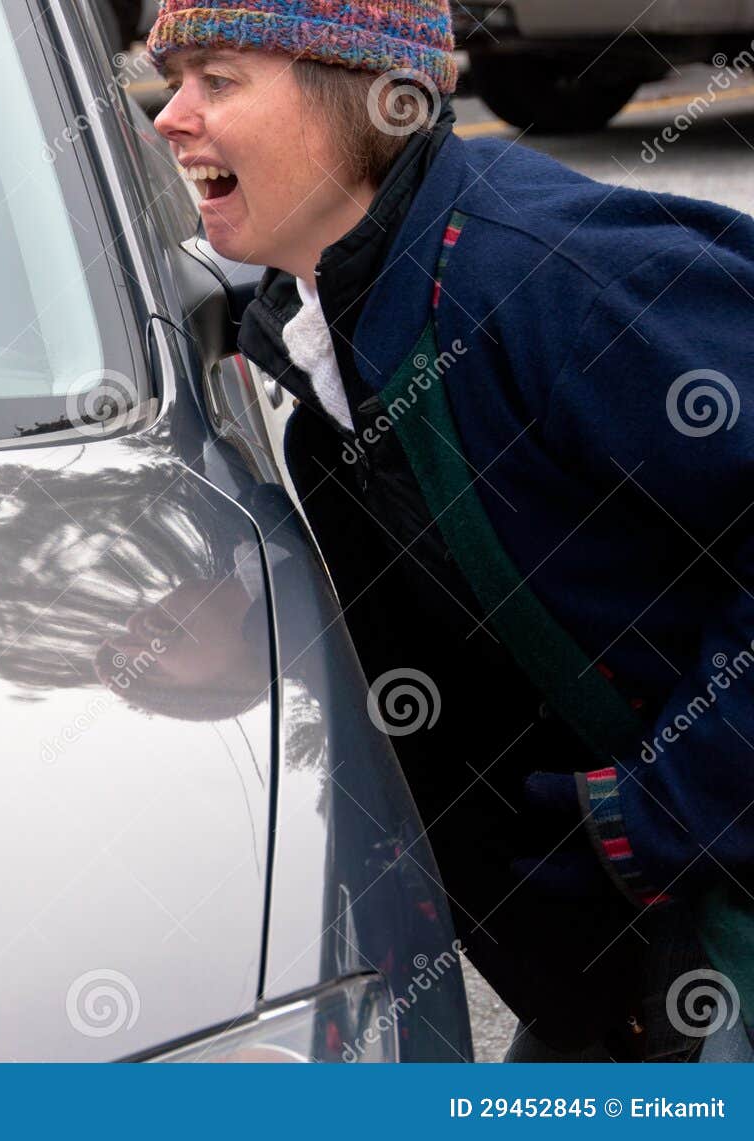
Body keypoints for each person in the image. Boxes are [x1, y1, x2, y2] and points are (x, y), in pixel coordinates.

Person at [148, 0, 754, 1060]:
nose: (169, 116)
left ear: (361, 91)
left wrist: (651, 818)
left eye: (218, 78)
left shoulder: (554, 280)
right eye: (171, 80)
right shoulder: (324, 325)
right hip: (621, 972)